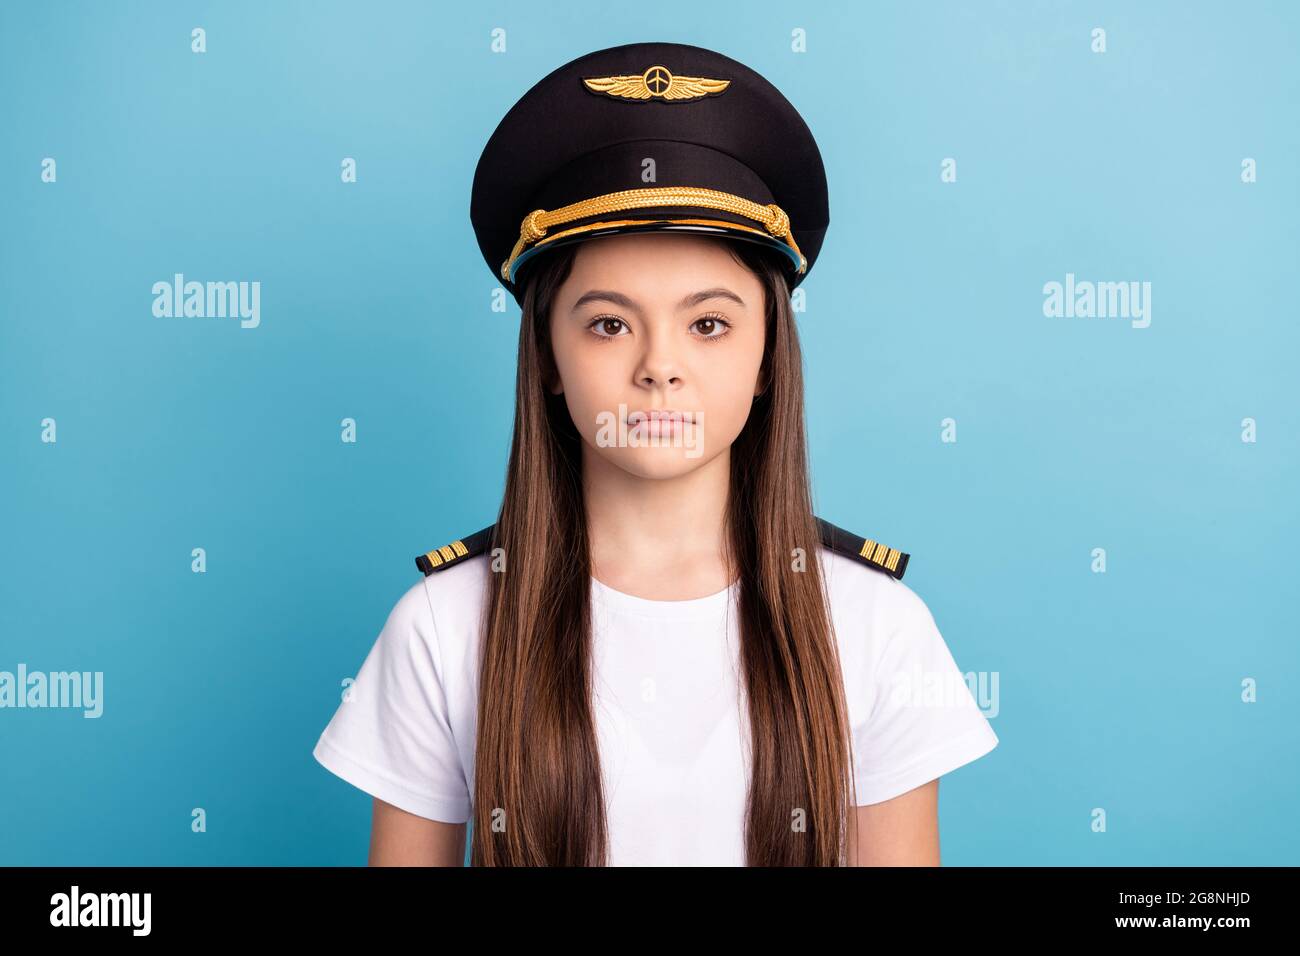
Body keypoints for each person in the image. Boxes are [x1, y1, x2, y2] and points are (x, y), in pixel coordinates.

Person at [312, 40, 998, 866]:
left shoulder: (877, 625)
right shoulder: (443, 625)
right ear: (550, 362)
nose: (659, 366)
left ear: (769, 358)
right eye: (609, 323)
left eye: (709, 324)